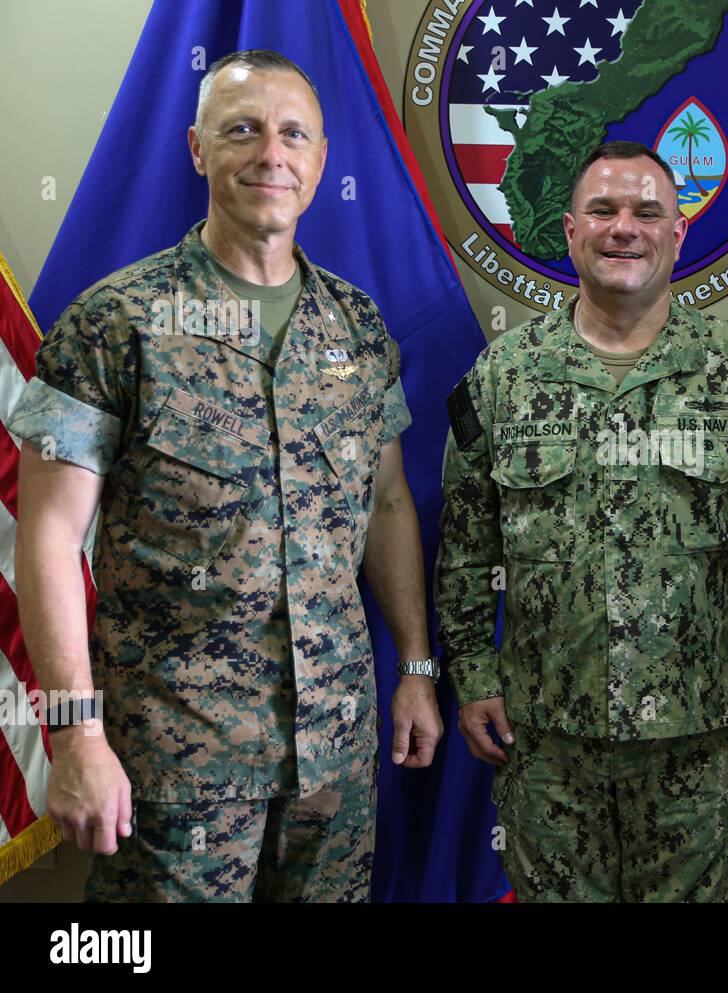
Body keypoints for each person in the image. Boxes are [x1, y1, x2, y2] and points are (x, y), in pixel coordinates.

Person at [11, 49, 442, 902]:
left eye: (293, 135)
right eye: (240, 130)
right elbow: (49, 535)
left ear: (320, 160)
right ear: (197, 149)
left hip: (333, 756)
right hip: (172, 761)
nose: (269, 155)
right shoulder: (116, 323)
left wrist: (418, 668)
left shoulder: (356, 327)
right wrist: (74, 735)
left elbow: (388, 501)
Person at [436, 140, 728, 902]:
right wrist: (472, 674)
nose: (625, 228)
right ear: (570, 230)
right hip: (545, 744)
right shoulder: (504, 375)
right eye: (604, 210)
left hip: (691, 746)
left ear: (678, 232)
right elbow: (465, 544)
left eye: (647, 212)